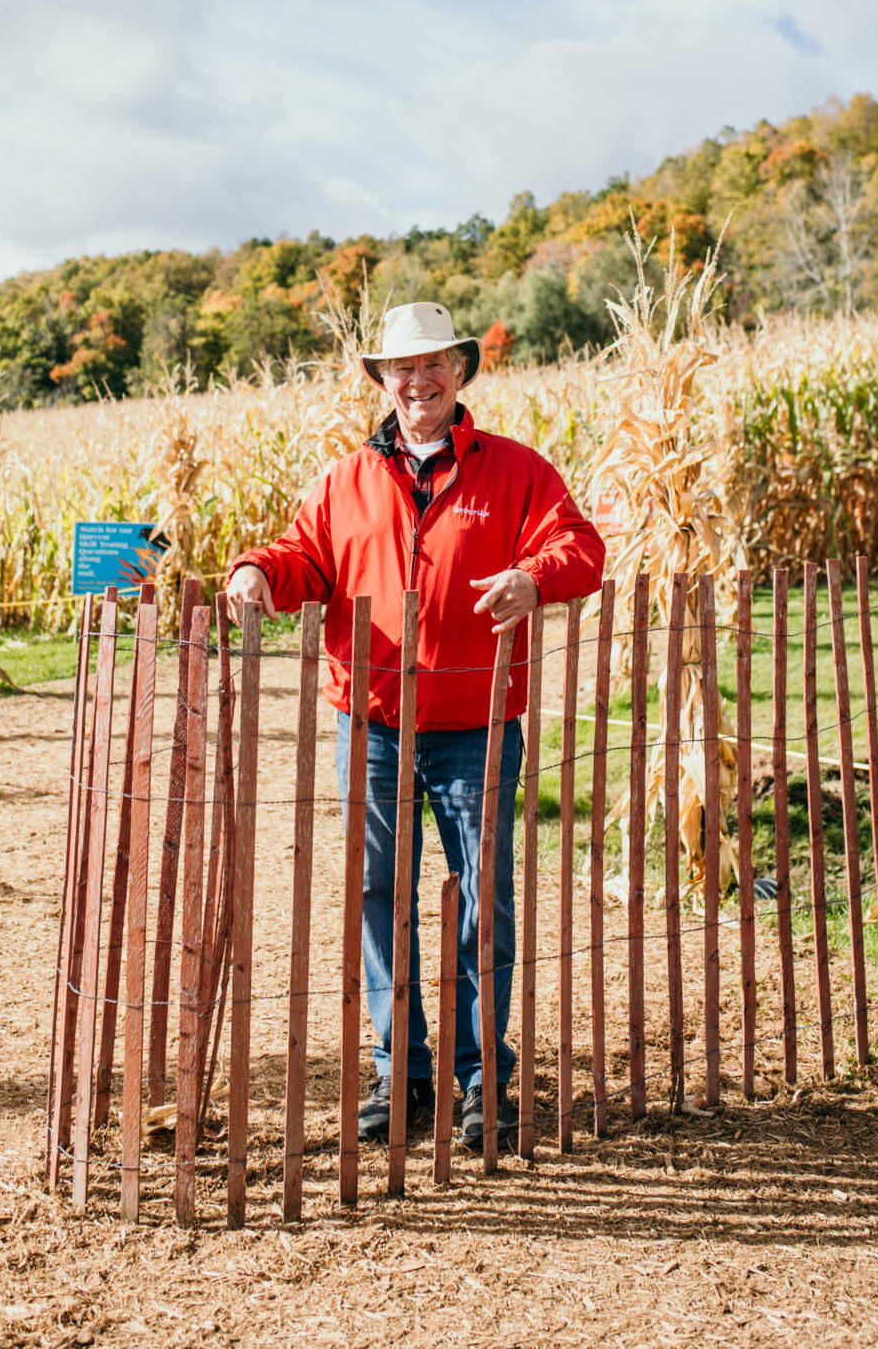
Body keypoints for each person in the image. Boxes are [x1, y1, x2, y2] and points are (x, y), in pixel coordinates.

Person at [226, 301, 604, 1150]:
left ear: (460, 372)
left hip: (476, 725)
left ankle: (481, 1078)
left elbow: (579, 546)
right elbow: (303, 558)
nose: (419, 379)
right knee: (377, 894)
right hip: (373, 725)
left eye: (435, 363)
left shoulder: (516, 471)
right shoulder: (345, 481)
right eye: (404, 367)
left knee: (482, 900)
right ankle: (401, 1067)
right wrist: (257, 570)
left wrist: (536, 581)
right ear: (382, 381)